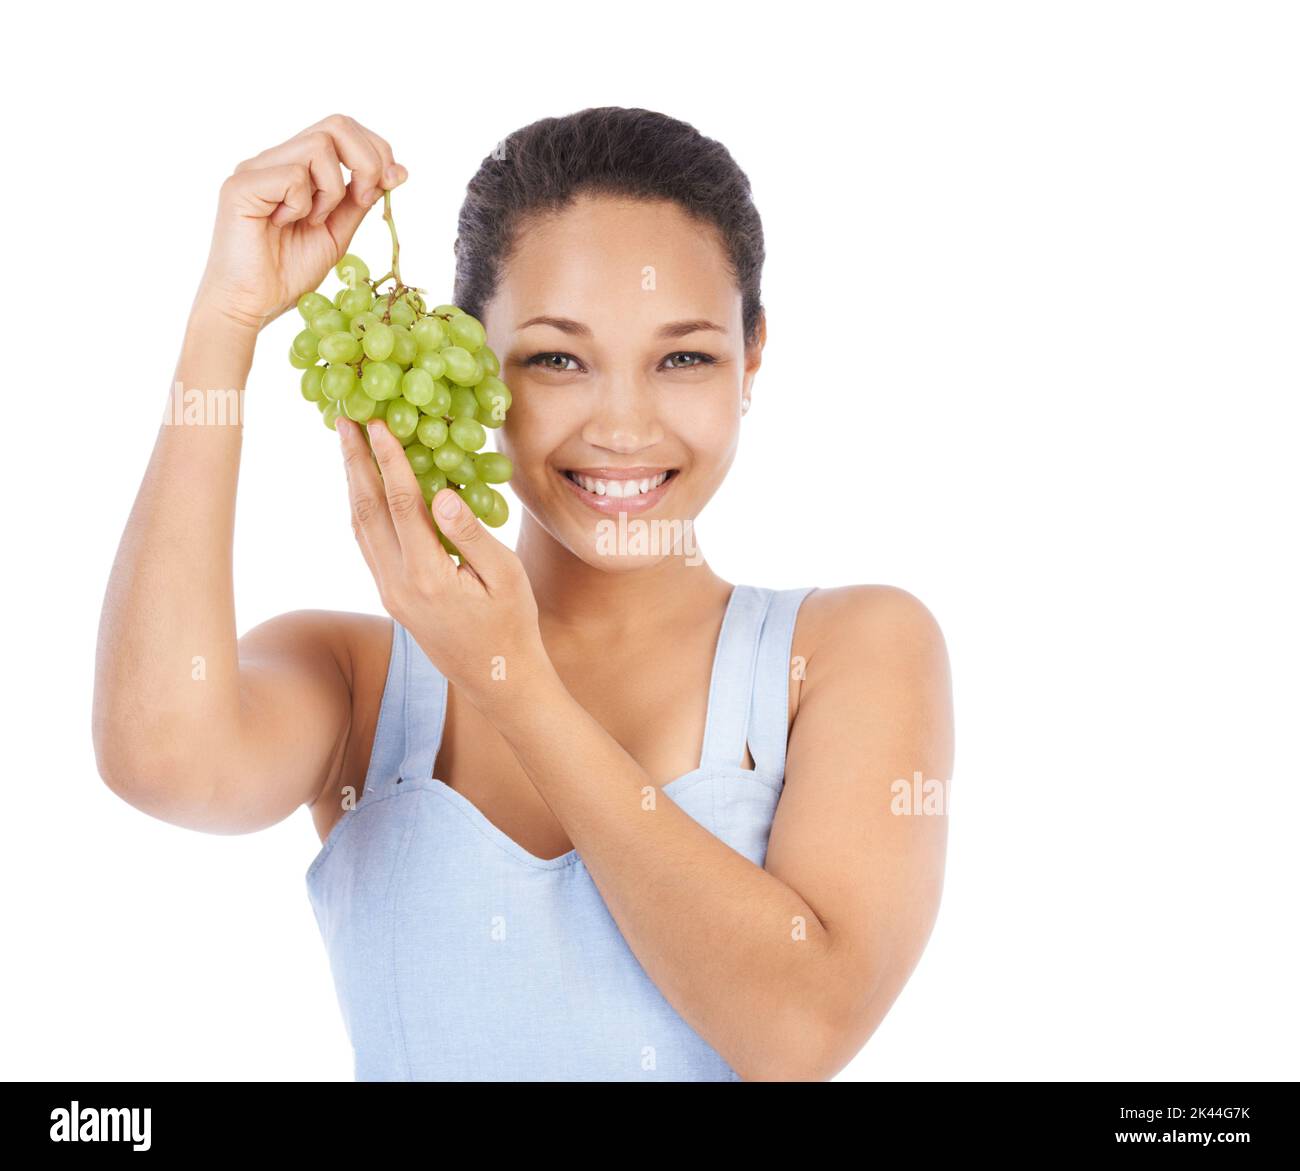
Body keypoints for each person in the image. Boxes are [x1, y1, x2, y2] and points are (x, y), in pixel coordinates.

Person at [92, 108, 954, 1081]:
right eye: (556, 357)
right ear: (471, 360)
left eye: (683, 357)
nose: (623, 425)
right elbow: (157, 756)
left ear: (751, 356)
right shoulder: (361, 683)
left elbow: (798, 1030)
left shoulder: (846, 651)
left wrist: (511, 683)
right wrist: (224, 323)